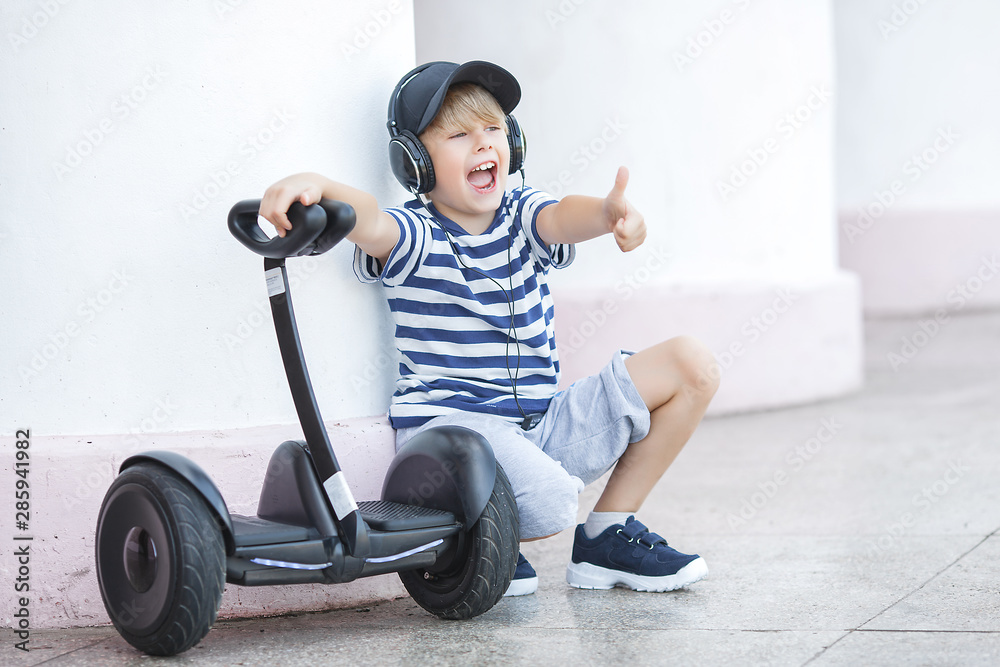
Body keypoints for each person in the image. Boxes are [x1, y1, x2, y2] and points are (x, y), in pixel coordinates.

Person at [259, 60, 720, 597]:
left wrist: (607, 213)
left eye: (494, 129)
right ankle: (482, 533)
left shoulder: (524, 213)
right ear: (416, 162)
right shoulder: (415, 233)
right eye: (458, 135)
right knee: (550, 500)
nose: (483, 145)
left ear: (514, 144)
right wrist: (316, 185)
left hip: (539, 426)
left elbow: (562, 215)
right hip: (455, 437)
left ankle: (605, 536)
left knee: (692, 364)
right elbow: (368, 217)